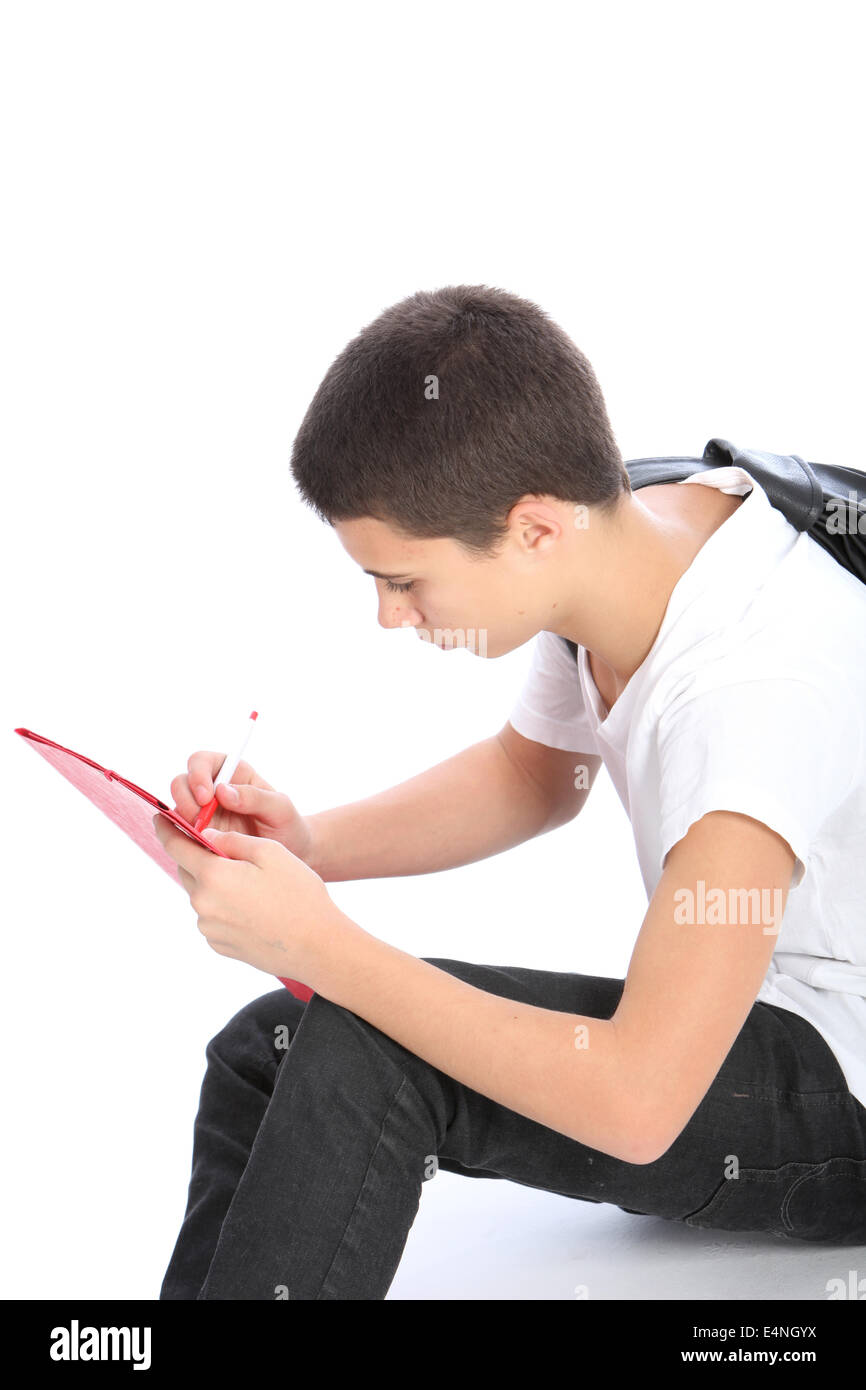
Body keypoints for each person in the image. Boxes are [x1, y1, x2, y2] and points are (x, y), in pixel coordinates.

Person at [157, 285, 866, 1301]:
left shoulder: (751, 689)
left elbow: (637, 1102)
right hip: (747, 1012)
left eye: (403, 581)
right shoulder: (619, 540)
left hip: (836, 1087)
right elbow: (535, 772)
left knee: (360, 1043)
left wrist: (318, 943)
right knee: (263, 1051)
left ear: (532, 528)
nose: (387, 616)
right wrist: (310, 848)